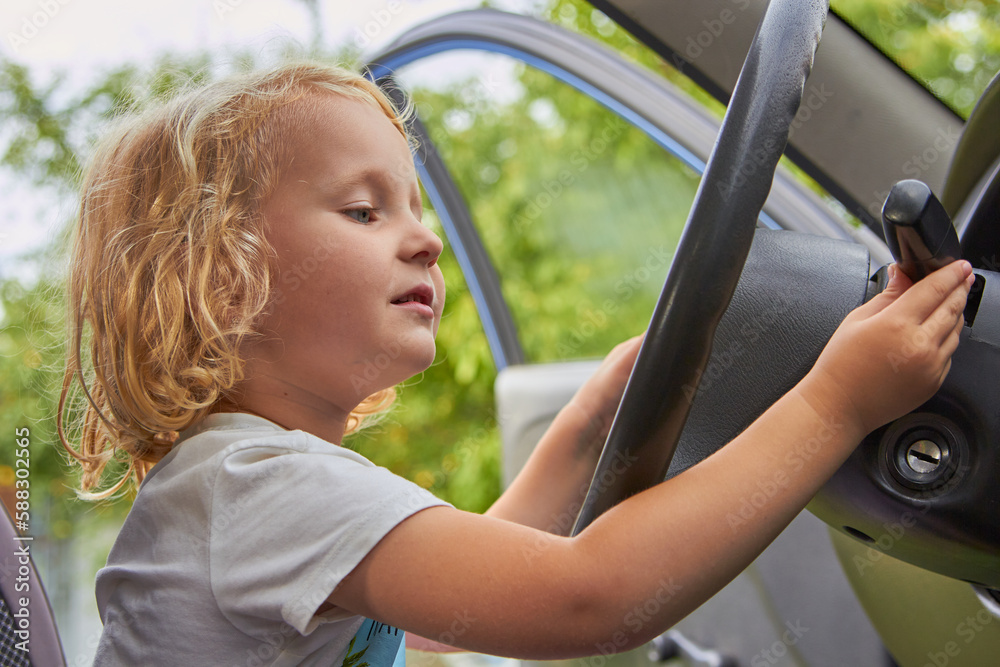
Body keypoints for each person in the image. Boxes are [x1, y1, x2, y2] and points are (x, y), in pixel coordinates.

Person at [59, 61, 974, 665]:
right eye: (365, 210)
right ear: (226, 281)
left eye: (416, 206)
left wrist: (587, 423)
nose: (425, 240)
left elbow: (427, 629)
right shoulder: (252, 488)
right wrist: (838, 405)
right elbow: (590, 599)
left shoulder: (247, 483)